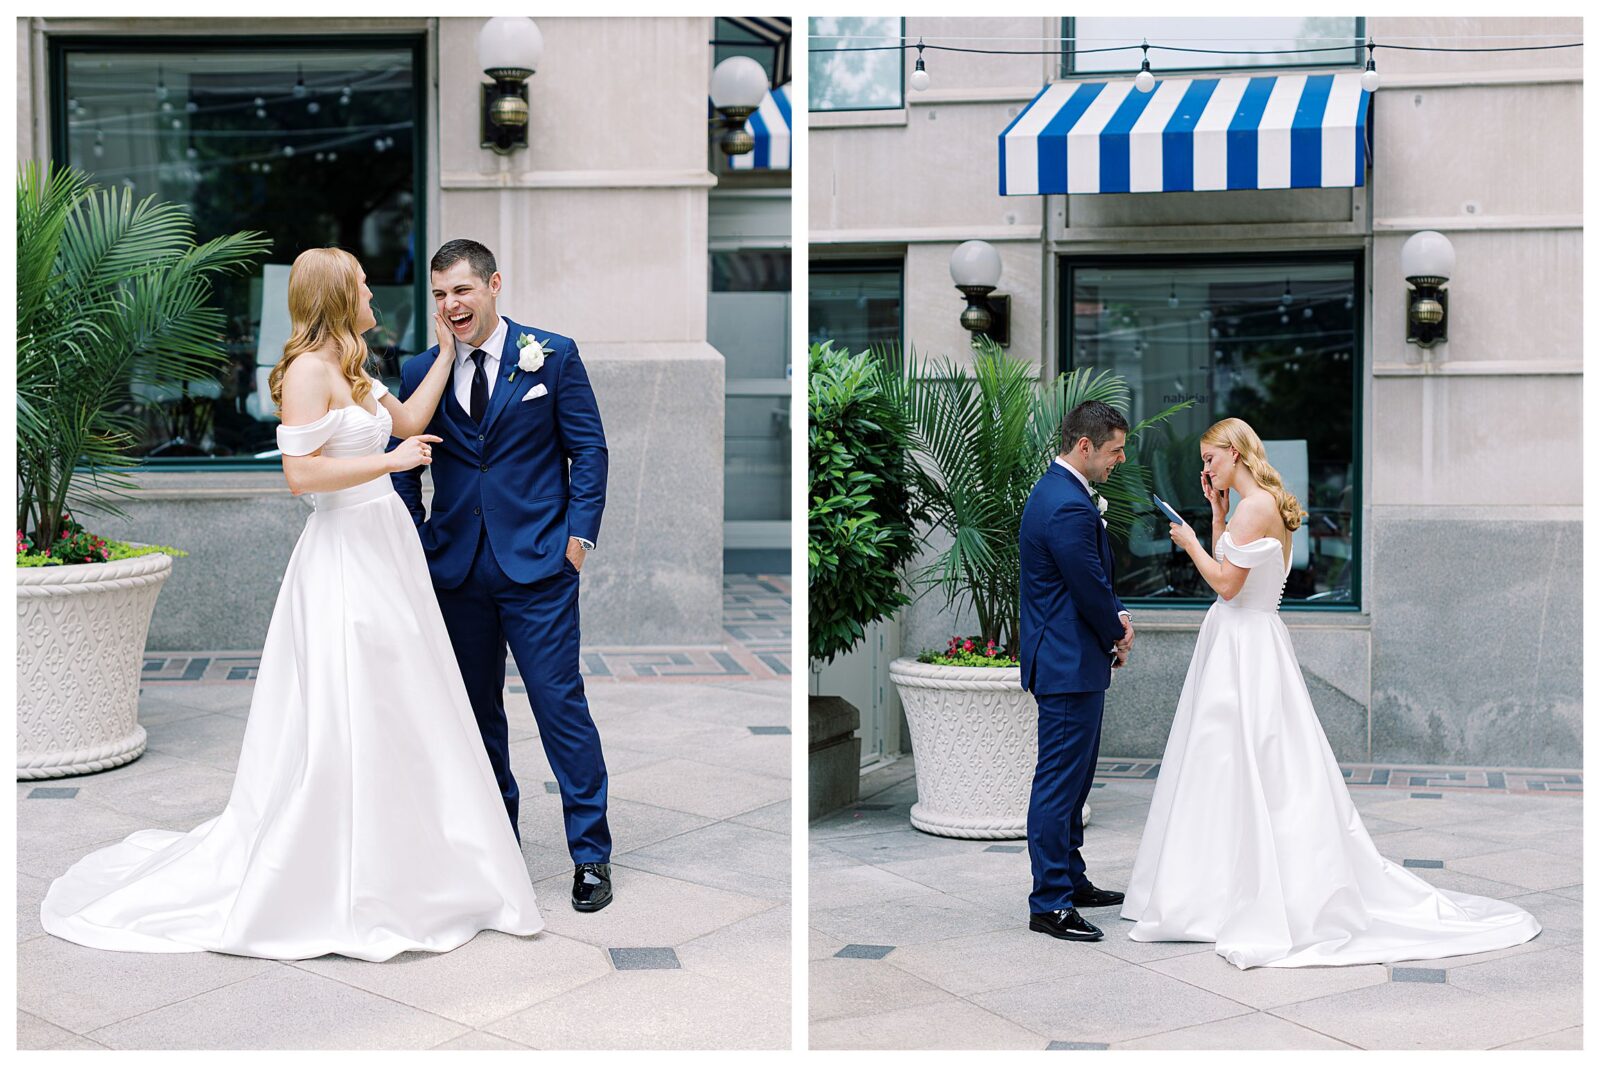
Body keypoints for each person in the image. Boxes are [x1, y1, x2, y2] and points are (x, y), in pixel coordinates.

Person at [40, 247, 544, 960]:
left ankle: (420, 853)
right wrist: (392, 464)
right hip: (344, 555)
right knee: (351, 703)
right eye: (364, 285)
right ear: (339, 294)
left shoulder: (353, 367)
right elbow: (302, 475)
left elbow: (405, 421)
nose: (375, 292)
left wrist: (445, 353)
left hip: (387, 546)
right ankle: (344, 860)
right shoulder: (308, 372)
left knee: (406, 699)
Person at [1121, 416, 1541, 968]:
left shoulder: (1256, 508)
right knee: (1236, 763)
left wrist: (1191, 540)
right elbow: (1237, 567)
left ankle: (1222, 892)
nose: (1206, 468)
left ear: (1237, 453)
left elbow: (1225, 583)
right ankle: (1220, 885)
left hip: (1243, 644)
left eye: (1211, 458)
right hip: (1248, 639)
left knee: (1234, 759)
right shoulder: (1263, 502)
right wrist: (1217, 512)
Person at [391, 239, 614, 913]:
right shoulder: (419, 368)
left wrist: (576, 542)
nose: (450, 305)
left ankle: (591, 854)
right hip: (456, 570)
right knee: (474, 717)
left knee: (559, 708)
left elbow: (589, 449)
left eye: (460, 290)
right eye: (438, 295)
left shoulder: (555, 354)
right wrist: (417, 542)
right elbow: (403, 460)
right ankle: (498, 844)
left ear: (493, 286)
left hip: (539, 567)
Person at [1018, 400, 1136, 942]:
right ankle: (1050, 902)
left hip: (1074, 660)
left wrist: (1115, 621)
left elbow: (1085, 582)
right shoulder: (1065, 504)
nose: (1118, 460)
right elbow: (1088, 585)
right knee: (1058, 785)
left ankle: (1072, 880)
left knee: (1074, 781)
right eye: (1113, 451)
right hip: (1067, 663)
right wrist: (1118, 629)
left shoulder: (1061, 493)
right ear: (1084, 446)